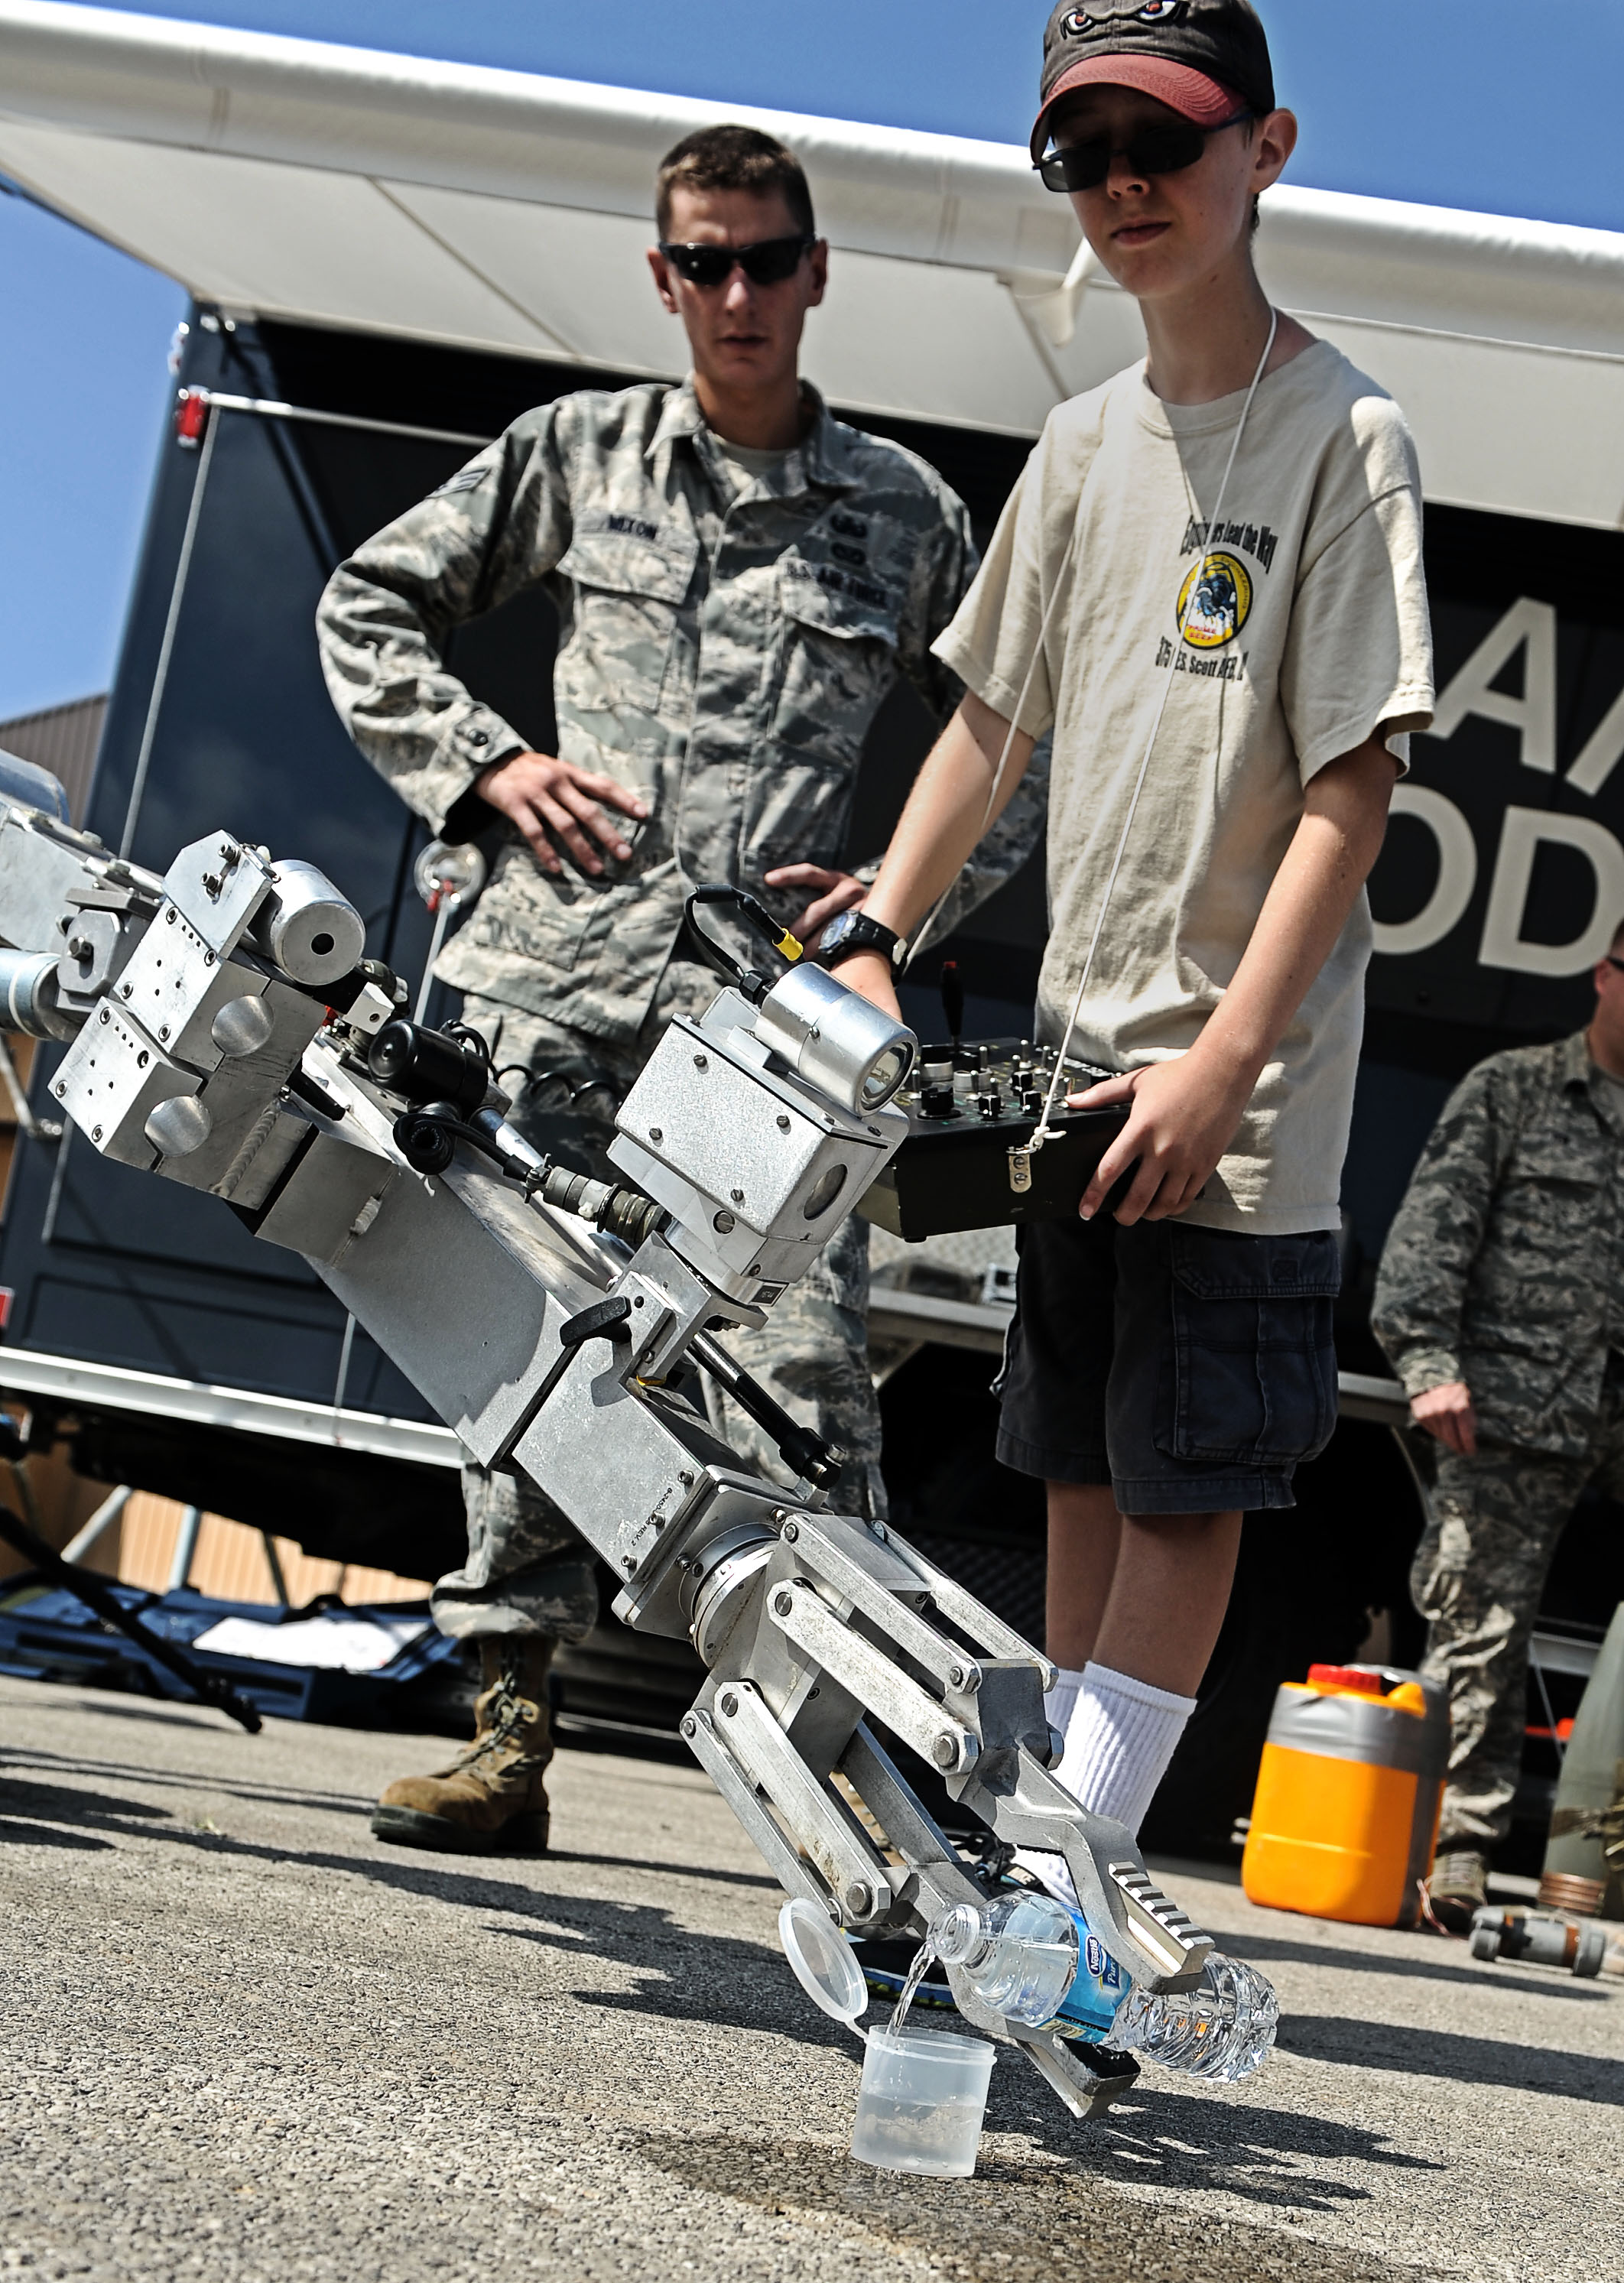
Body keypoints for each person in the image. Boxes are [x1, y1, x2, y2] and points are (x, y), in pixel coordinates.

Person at [316, 123, 1043, 1854]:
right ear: (664, 278)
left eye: (765, 259)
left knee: (804, 1370)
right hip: (547, 992)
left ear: (814, 274)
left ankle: (882, 1773)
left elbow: (1017, 744)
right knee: (521, 1344)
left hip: (758, 1026)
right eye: (702, 261)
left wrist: (897, 910)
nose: (736, 292)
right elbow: (369, 605)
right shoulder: (579, 454)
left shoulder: (902, 512)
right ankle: (506, 1730)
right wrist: (488, 765)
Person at [836, 0, 1433, 1862]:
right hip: (1066, 1073)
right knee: (1077, 1462)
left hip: (1228, 1101)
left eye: (1162, 145)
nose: (1122, 188)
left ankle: (1062, 1875)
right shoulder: (1083, 441)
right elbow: (986, 728)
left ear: (1268, 149)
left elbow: (1356, 791)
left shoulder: (1350, 435)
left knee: (1186, 1494)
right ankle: (1040, 1862)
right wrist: (869, 923)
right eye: (1082, 157)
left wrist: (1227, 1062)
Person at [1372, 933, 1624, 1928]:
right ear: (1606, 972)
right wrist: (1429, 1364)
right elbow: (1431, 1232)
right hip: (1513, 1408)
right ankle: (1462, 1845)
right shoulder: (1515, 1089)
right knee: (1480, 1626)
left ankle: (1602, 1854)